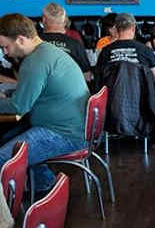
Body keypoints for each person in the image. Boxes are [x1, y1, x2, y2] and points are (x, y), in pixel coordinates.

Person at [0, 13, 89, 195]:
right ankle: (46, 186)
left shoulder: (34, 63)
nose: (5, 53)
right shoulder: (47, 51)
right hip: (77, 127)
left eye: (6, 47)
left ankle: (9, 211)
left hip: (63, 134)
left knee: (3, 158)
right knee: (9, 139)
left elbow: (19, 107)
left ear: (21, 39)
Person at [96, 13, 155, 135]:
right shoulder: (144, 50)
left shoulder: (106, 51)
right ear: (133, 28)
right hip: (142, 96)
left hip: (113, 97)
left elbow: (99, 78)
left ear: (116, 28)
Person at [41, 2, 92, 81]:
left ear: (44, 20)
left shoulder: (34, 43)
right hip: (72, 89)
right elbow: (87, 76)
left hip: (41, 90)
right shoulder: (75, 43)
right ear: (64, 21)